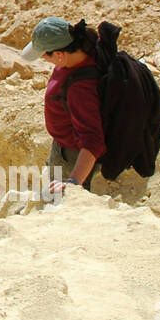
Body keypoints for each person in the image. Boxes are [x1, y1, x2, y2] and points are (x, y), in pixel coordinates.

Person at [20, 16, 104, 192]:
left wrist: (73, 181)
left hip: (72, 156)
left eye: (44, 56)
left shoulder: (80, 88)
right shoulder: (84, 51)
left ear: (59, 54)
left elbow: (92, 141)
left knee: (56, 203)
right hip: (63, 147)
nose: (44, 60)